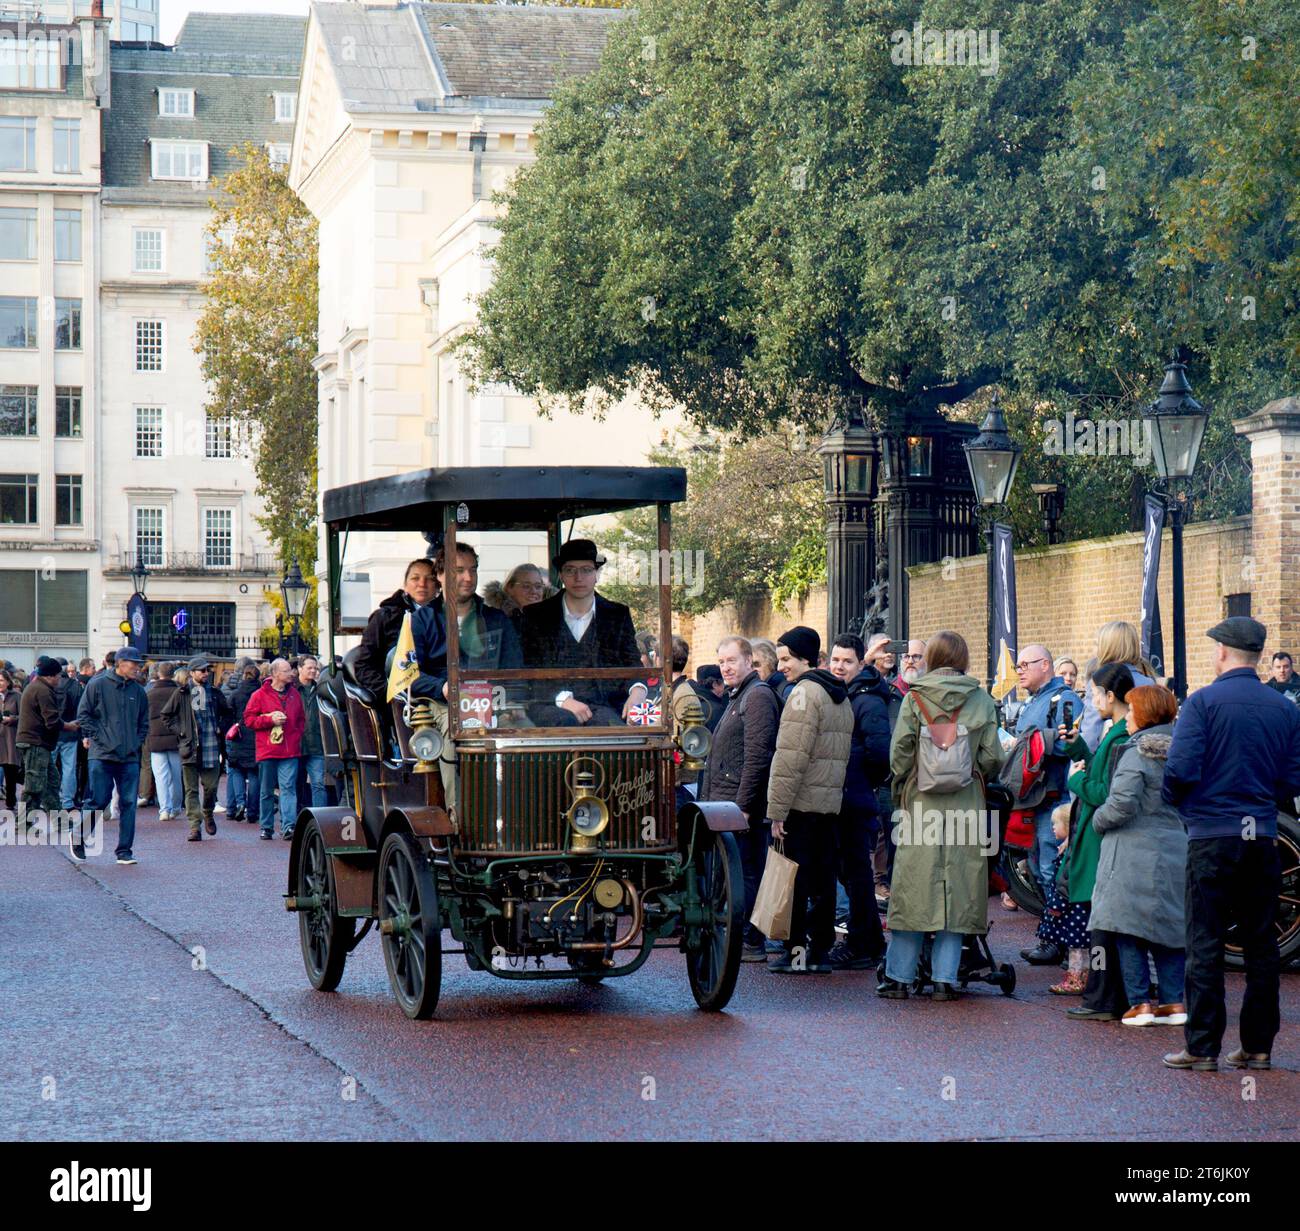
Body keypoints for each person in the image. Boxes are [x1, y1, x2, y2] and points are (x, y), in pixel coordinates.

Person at [1161, 617, 1300, 1072]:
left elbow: (1179, 771)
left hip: (1211, 835)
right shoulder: (1285, 709)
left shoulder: (1202, 703)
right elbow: (1291, 778)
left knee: (1205, 941)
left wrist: (1184, 809)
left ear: (1222, 650)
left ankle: (1202, 1047)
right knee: (1262, 945)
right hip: (1260, 835)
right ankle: (1258, 1046)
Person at [877, 631, 1002, 1000]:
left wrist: (905, 781)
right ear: (963, 658)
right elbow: (993, 756)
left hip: (920, 803)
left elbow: (899, 752)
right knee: (959, 888)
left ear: (930, 657)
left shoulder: (914, 697)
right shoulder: (981, 699)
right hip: (966, 804)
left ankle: (899, 977)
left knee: (913, 886)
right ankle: (945, 979)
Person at [1089, 685, 1188, 1028]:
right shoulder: (1184, 751)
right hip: (1176, 848)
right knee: (1171, 928)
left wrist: (1097, 820)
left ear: (1144, 715)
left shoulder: (1135, 754)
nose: (1127, 717)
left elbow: (1121, 804)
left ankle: (1140, 1004)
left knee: (1127, 927)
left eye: (1132, 712)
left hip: (1132, 851)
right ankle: (1175, 1003)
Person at [765, 625, 853, 974]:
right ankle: (818, 953)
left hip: (800, 805)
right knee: (822, 880)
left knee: (794, 880)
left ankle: (796, 952)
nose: (781, 666)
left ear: (803, 658)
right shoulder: (839, 696)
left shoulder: (802, 695)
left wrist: (777, 811)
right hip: (828, 805)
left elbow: (790, 759)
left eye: (786, 659)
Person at [409, 542, 524, 805]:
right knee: (455, 733)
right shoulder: (422, 620)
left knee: (529, 737)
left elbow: (515, 668)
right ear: (440, 575)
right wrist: (442, 687)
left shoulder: (496, 619)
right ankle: (459, 822)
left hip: (496, 701)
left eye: (472, 570)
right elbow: (410, 676)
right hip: (442, 704)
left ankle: (525, 822)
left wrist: (514, 703)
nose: (468, 578)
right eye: (459, 570)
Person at [1050, 662, 1135, 997]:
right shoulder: (1113, 731)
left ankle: (1102, 993)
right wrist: (1077, 749)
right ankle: (1101, 990)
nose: (1092, 700)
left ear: (1110, 695)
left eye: (1096, 693)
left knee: (1098, 926)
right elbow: (1098, 769)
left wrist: (1075, 779)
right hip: (1094, 834)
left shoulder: (1119, 735)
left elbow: (1102, 791)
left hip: (1099, 836)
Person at [700, 635, 780, 962]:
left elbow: (758, 756)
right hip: (724, 806)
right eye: (721, 662)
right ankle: (743, 938)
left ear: (749, 660)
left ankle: (751, 940)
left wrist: (744, 807)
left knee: (746, 874)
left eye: (732, 660)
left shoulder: (757, 696)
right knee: (738, 873)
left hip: (739, 807)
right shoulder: (739, 696)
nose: (726, 667)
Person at [521, 539, 640, 727]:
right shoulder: (536, 615)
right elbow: (528, 668)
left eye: (586, 570)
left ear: (596, 574)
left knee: (610, 731)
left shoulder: (617, 615)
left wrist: (637, 691)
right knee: (563, 723)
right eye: (570, 570)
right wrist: (562, 699)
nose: (578, 577)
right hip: (550, 705)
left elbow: (632, 663)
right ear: (561, 575)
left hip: (604, 705)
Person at [826, 634, 890, 969]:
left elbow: (881, 753)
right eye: (835, 660)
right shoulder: (844, 694)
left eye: (847, 661)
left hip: (856, 797)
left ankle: (862, 943)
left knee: (857, 874)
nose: (839, 666)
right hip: (843, 797)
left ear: (860, 663)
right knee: (849, 873)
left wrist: (859, 776)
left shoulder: (868, 700)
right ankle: (869, 941)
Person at [1013, 645, 1079, 965]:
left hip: (1055, 801)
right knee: (1041, 870)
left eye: (1026, 664)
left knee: (1054, 871)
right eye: (1018, 665)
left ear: (1046, 665)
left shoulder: (1063, 699)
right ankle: (1055, 938)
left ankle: (1061, 941)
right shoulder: (1035, 701)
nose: (1020, 670)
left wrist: (1040, 740)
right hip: (1036, 800)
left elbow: (1073, 743)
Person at [74, 647, 150, 864]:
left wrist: (136, 742)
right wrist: (99, 736)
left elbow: (144, 722)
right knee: (99, 799)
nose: (138, 667)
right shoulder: (97, 684)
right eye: (134, 663)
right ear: (120, 663)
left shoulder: (138, 691)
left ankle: (124, 851)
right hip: (102, 754)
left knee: (128, 803)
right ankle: (79, 837)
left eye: (138, 663)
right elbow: (83, 714)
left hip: (129, 757)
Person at [162, 655, 233, 842]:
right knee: (191, 790)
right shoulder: (182, 693)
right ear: (192, 673)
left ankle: (208, 812)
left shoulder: (215, 693)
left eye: (207, 670)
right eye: (202, 670)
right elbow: (167, 716)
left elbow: (228, 714)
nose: (206, 673)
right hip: (190, 747)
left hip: (211, 746)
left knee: (210, 787)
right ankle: (195, 826)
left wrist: (221, 728)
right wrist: (182, 732)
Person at [353, 558, 439, 699]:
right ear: (405, 585)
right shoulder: (384, 617)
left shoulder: (446, 618)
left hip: (438, 690)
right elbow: (364, 665)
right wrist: (392, 695)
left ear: (438, 586)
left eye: (429, 578)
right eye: (415, 578)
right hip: (398, 698)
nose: (422, 584)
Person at [243, 658, 305, 841]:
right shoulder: (259, 695)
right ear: (276, 674)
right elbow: (249, 720)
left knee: (288, 788)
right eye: (286, 671)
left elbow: (301, 719)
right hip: (268, 750)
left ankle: (288, 826)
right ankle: (267, 826)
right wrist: (269, 720)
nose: (291, 673)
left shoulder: (294, 694)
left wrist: (296, 735)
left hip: (290, 750)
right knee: (267, 790)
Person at [1078, 621, 1157, 752]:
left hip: (1106, 757)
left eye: (1097, 644)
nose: (1094, 650)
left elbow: (1091, 731)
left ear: (1108, 647)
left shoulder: (1100, 683)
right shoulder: (1148, 683)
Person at [17, 656, 68, 816]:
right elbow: (52, 721)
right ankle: (23, 822)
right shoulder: (43, 691)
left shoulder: (36, 687)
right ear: (50, 675)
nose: (60, 678)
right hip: (36, 743)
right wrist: (69, 726)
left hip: (37, 743)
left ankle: (60, 820)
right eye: (58, 675)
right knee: (34, 785)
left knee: (51, 783)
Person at [663, 635, 708, 808]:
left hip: (678, 786)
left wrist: (668, 780)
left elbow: (681, 744)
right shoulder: (672, 691)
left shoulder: (684, 696)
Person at [224, 663, 262, 824]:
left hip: (238, 737)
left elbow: (227, 715)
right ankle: (252, 811)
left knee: (237, 771)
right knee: (254, 774)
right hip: (256, 737)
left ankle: (240, 803)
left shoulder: (236, 694)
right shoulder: (261, 694)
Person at [146, 661, 184, 821]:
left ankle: (164, 809)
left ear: (158, 674)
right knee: (176, 775)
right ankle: (175, 807)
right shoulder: (179, 692)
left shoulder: (149, 694)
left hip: (155, 738)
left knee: (160, 776)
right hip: (176, 738)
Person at [295, 655, 328, 809]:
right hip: (296, 746)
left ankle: (319, 820)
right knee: (295, 785)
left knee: (318, 784)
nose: (314, 671)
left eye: (315, 668)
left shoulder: (321, 689)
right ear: (299, 669)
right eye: (310, 667)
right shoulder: (292, 689)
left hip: (316, 744)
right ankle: (292, 821)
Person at [52, 658, 83, 812]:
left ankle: (49, 798)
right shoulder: (76, 686)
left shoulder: (51, 686)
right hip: (71, 732)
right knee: (69, 768)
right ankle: (67, 801)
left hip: (51, 733)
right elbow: (82, 709)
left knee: (49, 767)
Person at [484, 563, 548, 632]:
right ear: (509, 588)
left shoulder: (551, 620)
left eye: (538, 586)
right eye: (526, 586)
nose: (533, 591)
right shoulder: (495, 621)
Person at [0, 669, 19, 811]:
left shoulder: (16, 696)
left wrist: (12, 719)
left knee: (10, 772)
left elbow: (24, 717)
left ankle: (10, 803)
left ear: (7, 681)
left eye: (1, 680)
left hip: (9, 739)